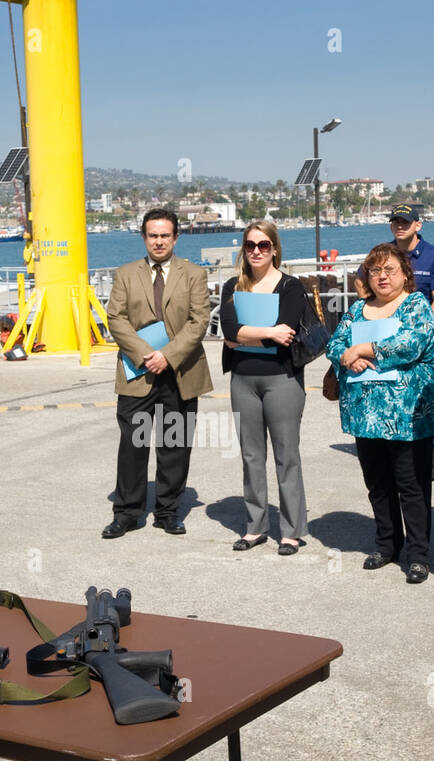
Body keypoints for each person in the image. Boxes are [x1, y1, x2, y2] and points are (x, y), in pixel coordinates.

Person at [326, 243, 434, 582]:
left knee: (412, 485)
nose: (382, 277)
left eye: (389, 270)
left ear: (405, 273)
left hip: (407, 414)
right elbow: (335, 343)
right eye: (375, 271)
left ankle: (418, 555)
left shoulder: (415, 305)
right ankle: (387, 544)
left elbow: (412, 343)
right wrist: (348, 357)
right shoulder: (357, 308)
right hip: (365, 414)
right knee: (377, 483)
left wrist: (365, 348)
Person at [103, 209, 213, 537]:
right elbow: (116, 318)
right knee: (132, 447)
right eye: (153, 236)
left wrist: (167, 356)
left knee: (174, 445)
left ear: (176, 238)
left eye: (165, 235)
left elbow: (199, 320)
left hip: (180, 372)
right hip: (138, 371)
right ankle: (127, 513)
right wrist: (145, 355)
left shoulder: (194, 274)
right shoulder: (125, 274)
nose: (159, 241)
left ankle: (168, 511)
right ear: (144, 237)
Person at [218, 221, 310, 555]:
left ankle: (291, 531)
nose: (256, 251)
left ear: (274, 249)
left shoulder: (291, 287)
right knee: (251, 456)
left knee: (287, 456)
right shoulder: (232, 286)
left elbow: (285, 332)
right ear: (244, 249)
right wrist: (267, 332)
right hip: (242, 379)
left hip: (281, 379)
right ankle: (255, 527)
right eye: (250, 245)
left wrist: (248, 335)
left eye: (264, 245)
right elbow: (229, 331)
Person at [357, 204, 434, 481]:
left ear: (417, 225)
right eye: (396, 222)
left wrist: (421, 329)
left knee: (433, 390)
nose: (400, 226)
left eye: (405, 222)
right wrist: (371, 306)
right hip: (385, 334)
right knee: (388, 388)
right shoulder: (382, 253)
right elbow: (361, 279)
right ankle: (393, 441)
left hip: (420, 336)